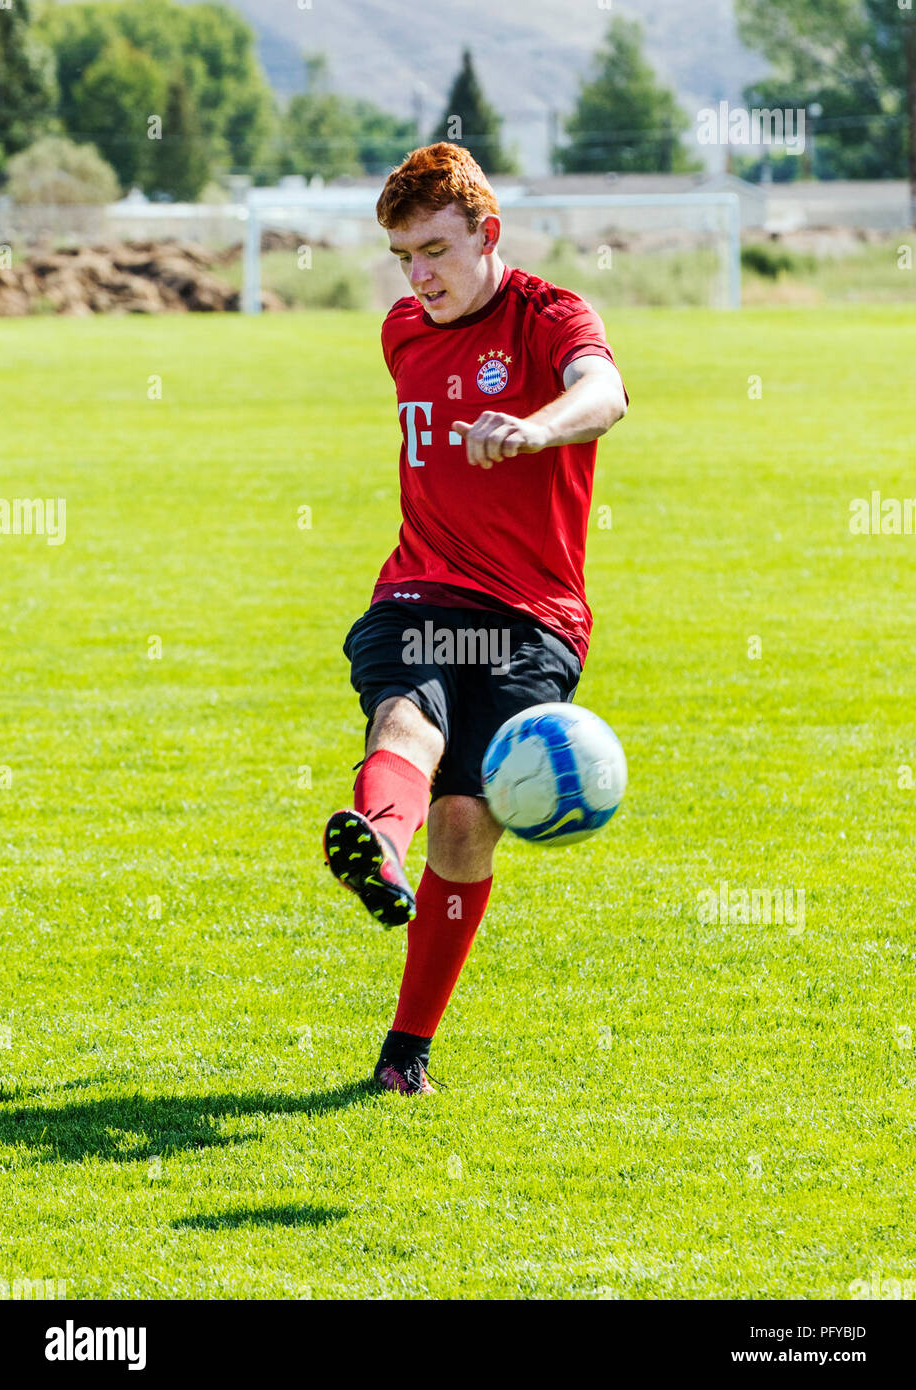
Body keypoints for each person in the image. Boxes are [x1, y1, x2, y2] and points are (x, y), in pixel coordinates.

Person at [323, 143, 629, 1095]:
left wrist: (537, 427)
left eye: (435, 251)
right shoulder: (401, 332)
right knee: (402, 719)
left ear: (486, 235)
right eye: (402, 256)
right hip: (417, 589)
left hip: (533, 614)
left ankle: (404, 1054)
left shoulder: (550, 315)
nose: (418, 276)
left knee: (466, 821)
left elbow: (605, 392)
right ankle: (376, 840)